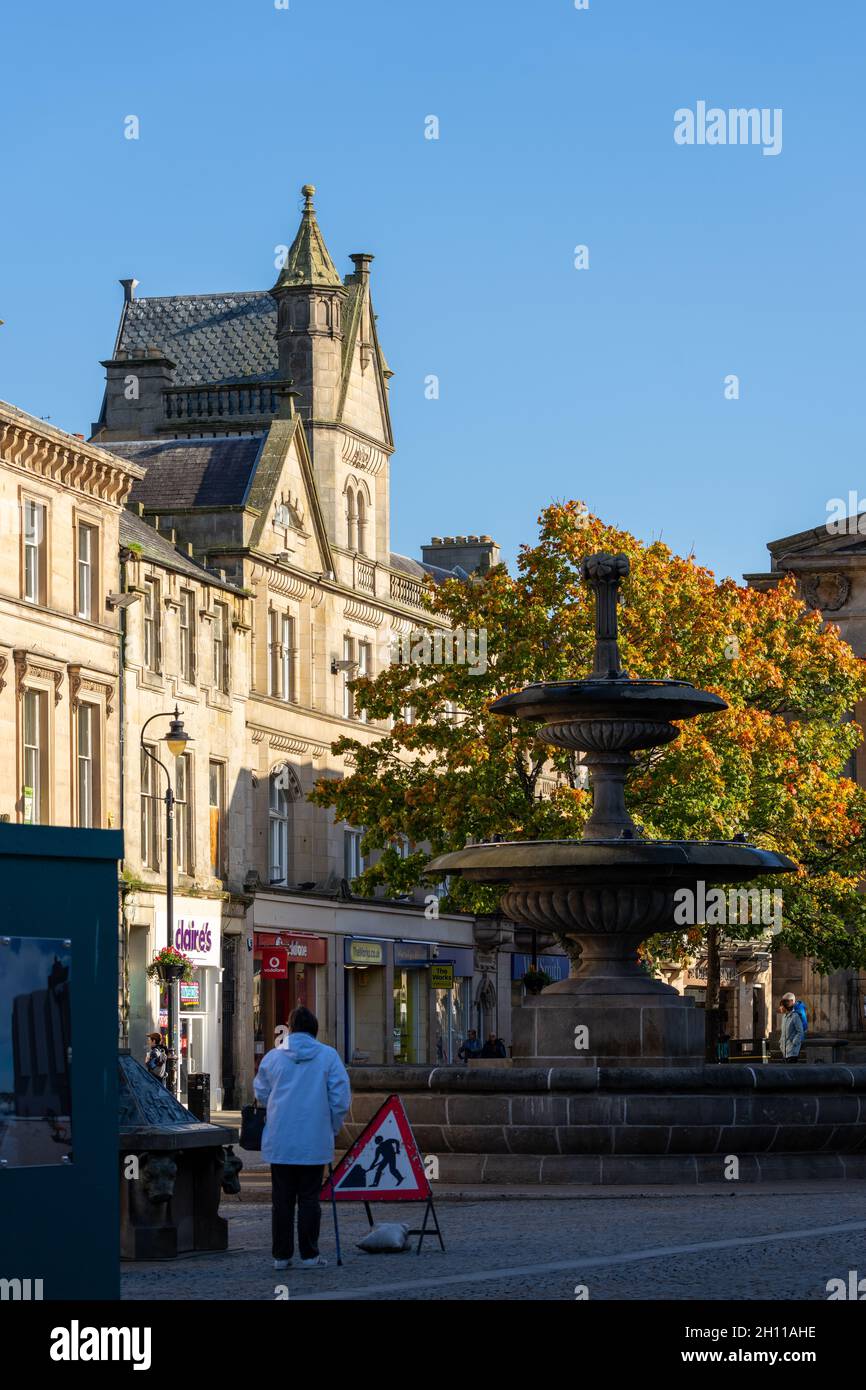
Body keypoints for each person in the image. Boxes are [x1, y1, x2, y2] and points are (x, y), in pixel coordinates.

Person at [254, 1005, 350, 1271]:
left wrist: (274, 1107)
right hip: (313, 1138)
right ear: (315, 1028)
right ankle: (309, 1254)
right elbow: (340, 1098)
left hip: (281, 1138)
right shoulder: (328, 1056)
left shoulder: (274, 1057)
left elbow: (261, 1092)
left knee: (281, 1201)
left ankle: (281, 1256)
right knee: (309, 1198)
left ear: (291, 1027)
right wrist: (331, 1126)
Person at [778, 993, 805, 1061]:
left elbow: (800, 1032)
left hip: (792, 1052)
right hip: (785, 1052)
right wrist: (781, 1043)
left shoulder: (795, 1016)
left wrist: (794, 1043)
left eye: (782, 1005)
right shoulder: (784, 1017)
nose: (780, 1007)